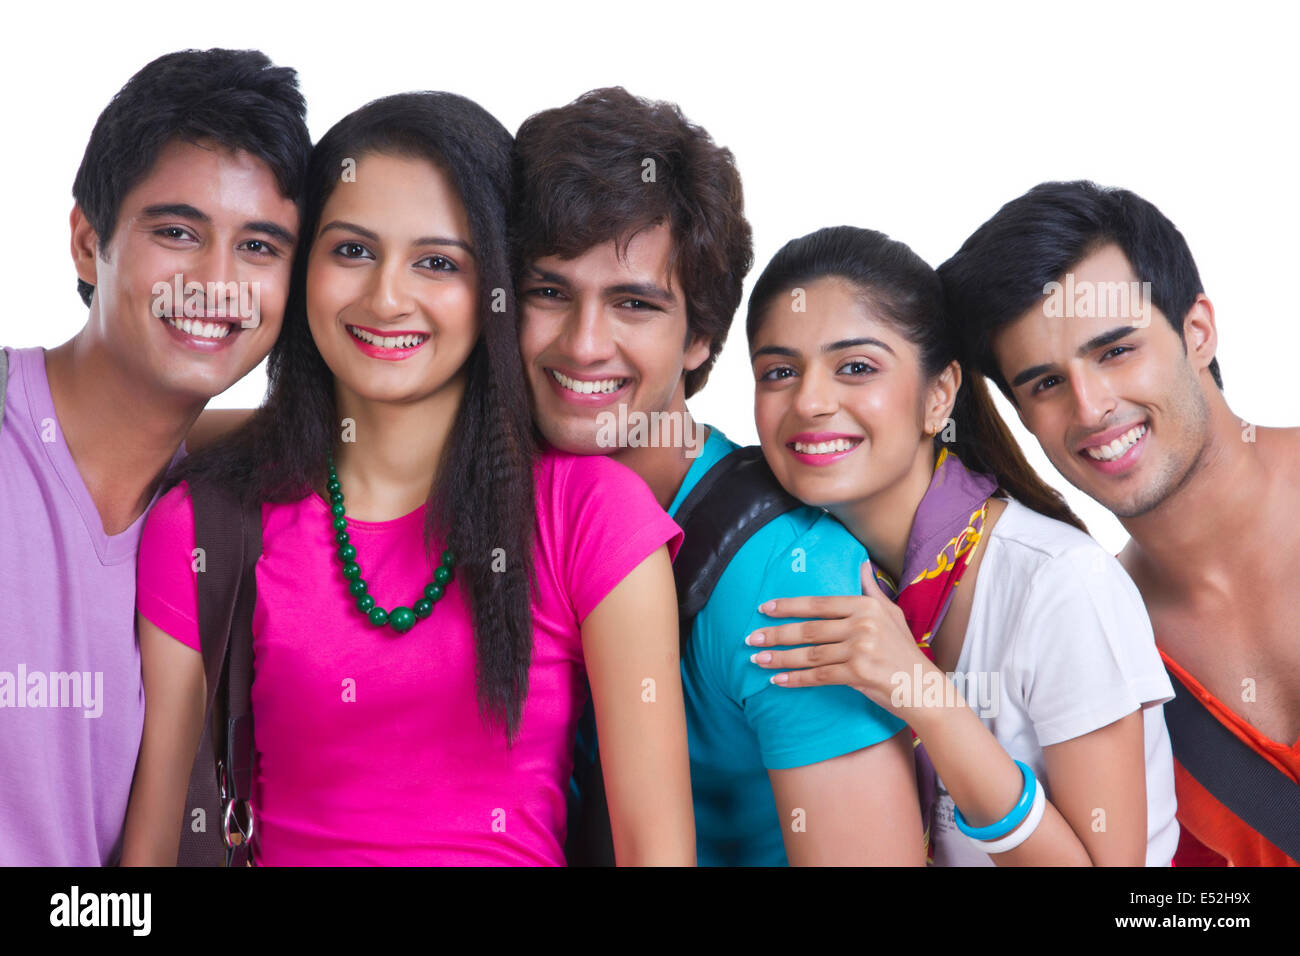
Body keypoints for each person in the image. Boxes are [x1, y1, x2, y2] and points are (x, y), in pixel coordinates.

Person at [121, 91, 694, 866]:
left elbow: (656, 851)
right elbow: (156, 847)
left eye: (438, 263)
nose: (387, 297)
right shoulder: (203, 525)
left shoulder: (590, 514)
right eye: (352, 250)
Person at [512, 89, 922, 865]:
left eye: (634, 304)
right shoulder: (486, 493)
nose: (584, 343)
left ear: (701, 335)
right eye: (550, 293)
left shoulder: (791, 579)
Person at [745, 225, 1180, 865]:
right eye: (780, 372)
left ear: (939, 395)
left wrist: (920, 693)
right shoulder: (811, 572)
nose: (810, 401)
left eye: (856, 367)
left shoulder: (1061, 584)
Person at [0, 48, 309, 866]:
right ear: (86, 242)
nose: (216, 282)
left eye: (260, 247)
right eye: (177, 232)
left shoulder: (227, 509)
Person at [938, 180, 1300, 866]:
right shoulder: (1086, 630)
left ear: (1197, 332)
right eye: (1046, 383)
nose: (1090, 407)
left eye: (1115, 351)